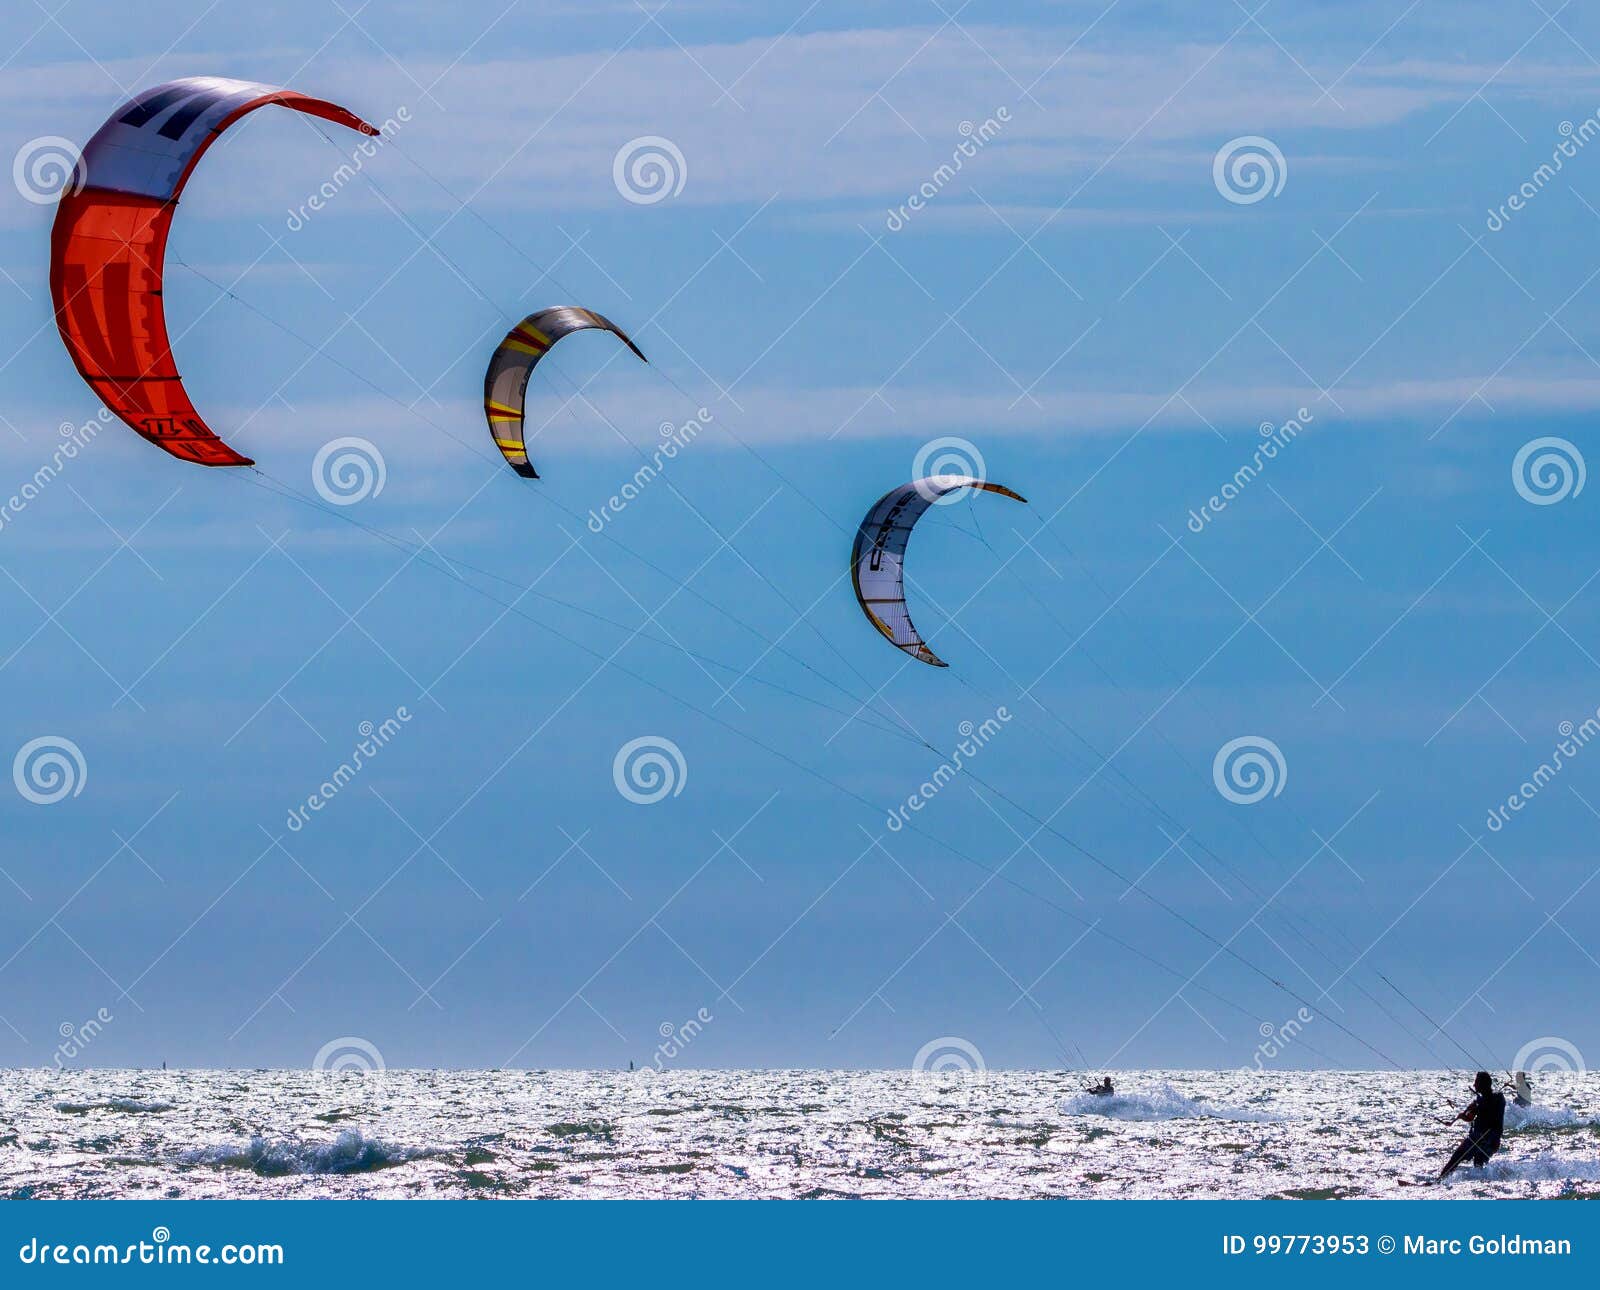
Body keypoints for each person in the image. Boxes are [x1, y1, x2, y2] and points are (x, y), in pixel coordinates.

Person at [1439, 1071, 1505, 1180]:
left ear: (1483, 1084)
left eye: (1476, 1082)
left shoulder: (1495, 1099)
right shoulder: (1488, 1099)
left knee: (1457, 1157)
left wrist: (1474, 1106)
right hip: (1491, 1142)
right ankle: (1483, 1186)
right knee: (1478, 1165)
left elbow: (1483, 1108)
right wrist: (1461, 1116)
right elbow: (1470, 1116)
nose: (1474, 1085)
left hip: (1482, 1138)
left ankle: (1438, 1182)